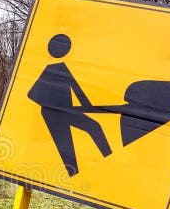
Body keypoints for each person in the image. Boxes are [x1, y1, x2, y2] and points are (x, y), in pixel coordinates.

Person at [27, 34, 111, 177]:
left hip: (67, 111)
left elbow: (79, 93)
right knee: (66, 146)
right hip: (51, 113)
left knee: (94, 127)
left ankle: (108, 163)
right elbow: (32, 94)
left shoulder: (64, 69)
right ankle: (74, 174)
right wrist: (52, 105)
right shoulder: (50, 69)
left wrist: (90, 107)